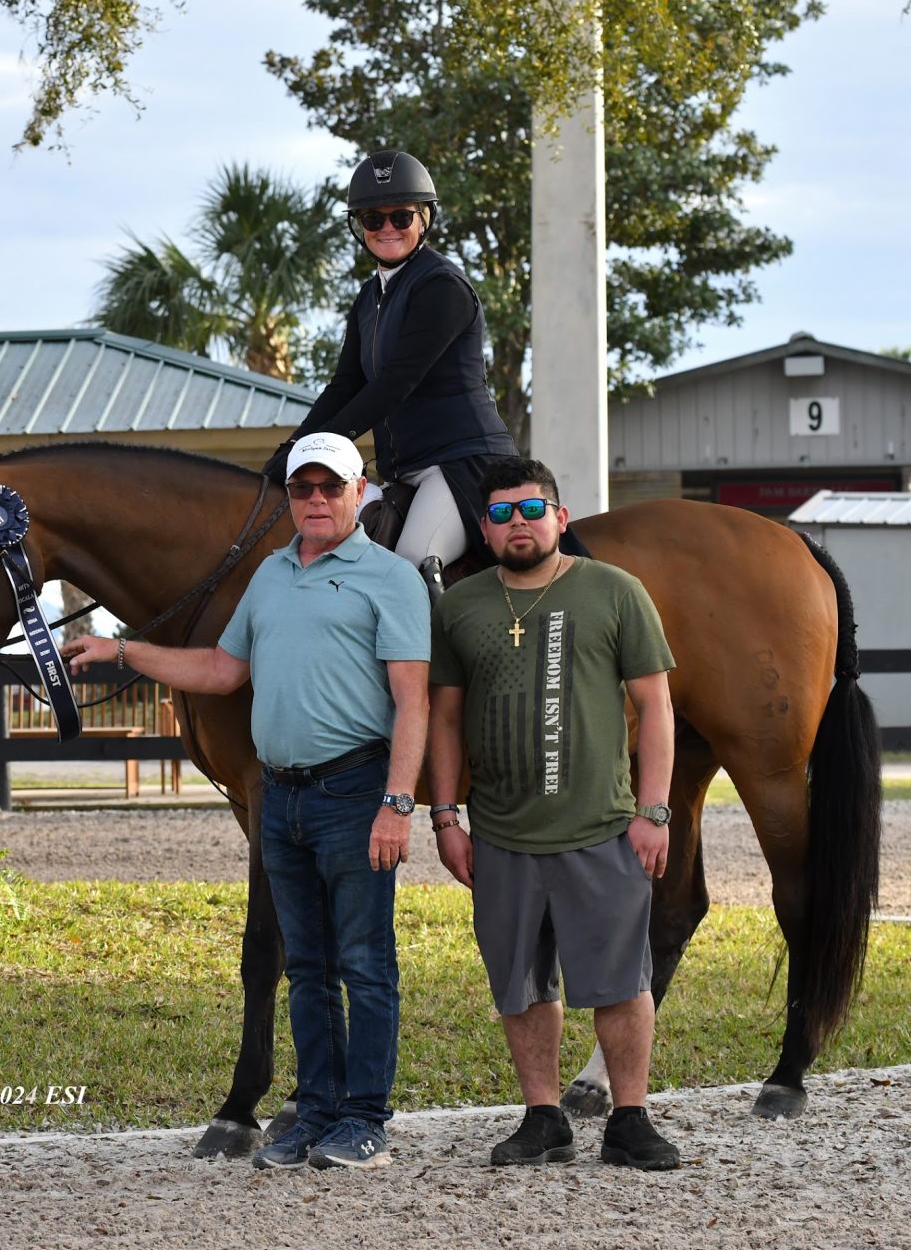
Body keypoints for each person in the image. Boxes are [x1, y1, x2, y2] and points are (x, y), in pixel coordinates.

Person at [61, 432, 429, 1171]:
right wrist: (122, 651)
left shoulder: (390, 578)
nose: (317, 500)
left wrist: (398, 802)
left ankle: (364, 1120)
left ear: (359, 492)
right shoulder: (268, 577)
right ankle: (314, 1113)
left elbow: (412, 701)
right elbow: (223, 670)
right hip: (283, 795)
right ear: (289, 497)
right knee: (308, 968)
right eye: (303, 489)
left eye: (331, 487)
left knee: (365, 963)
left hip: (355, 790)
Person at [426, 456, 681, 1170]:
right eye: (502, 514)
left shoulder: (614, 591)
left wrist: (654, 810)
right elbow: (443, 720)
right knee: (520, 983)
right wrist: (446, 819)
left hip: (600, 826)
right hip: (501, 833)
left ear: (560, 519)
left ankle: (630, 1116)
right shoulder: (461, 605)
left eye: (532, 511)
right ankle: (543, 1116)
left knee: (620, 981)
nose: (518, 525)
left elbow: (656, 707)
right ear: (484, 526)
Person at [274, 150, 515, 600]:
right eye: (373, 219)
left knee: (407, 568)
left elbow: (395, 384)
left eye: (401, 217)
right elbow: (345, 386)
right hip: (402, 473)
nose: (387, 229)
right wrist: (294, 448)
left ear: (424, 220)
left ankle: (439, 673)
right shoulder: (369, 297)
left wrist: (318, 446)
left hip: (460, 463)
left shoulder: (442, 287)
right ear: (359, 226)